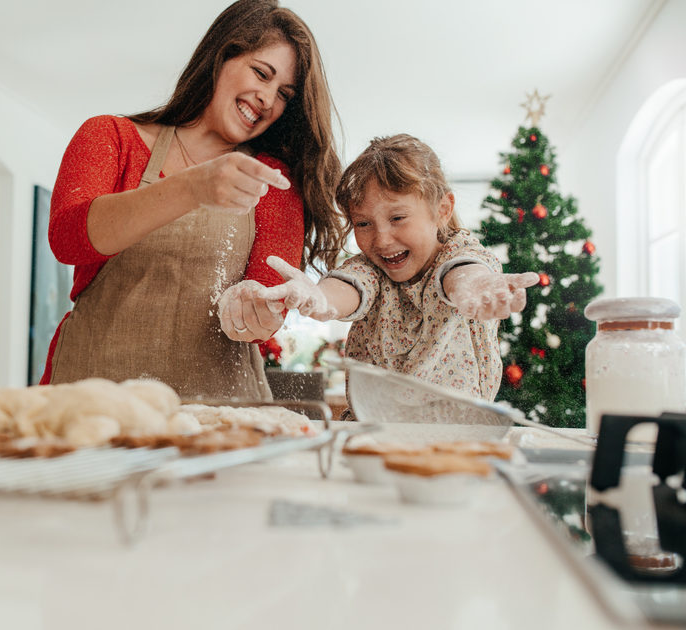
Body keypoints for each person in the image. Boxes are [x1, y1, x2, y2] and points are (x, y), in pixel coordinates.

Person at [42, 0, 347, 400]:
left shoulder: (273, 180)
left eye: (284, 94)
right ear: (221, 56)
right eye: (261, 73)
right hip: (95, 397)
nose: (268, 100)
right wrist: (192, 187)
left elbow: (266, 300)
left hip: (220, 408)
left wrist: (253, 314)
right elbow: (68, 238)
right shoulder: (112, 138)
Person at [221, 133, 539, 402]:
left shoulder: (459, 254)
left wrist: (474, 286)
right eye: (363, 223)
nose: (382, 239)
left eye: (397, 218)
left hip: (453, 434)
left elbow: (461, 273)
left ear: (442, 209)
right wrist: (318, 298)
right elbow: (346, 288)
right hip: (370, 430)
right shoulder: (372, 269)